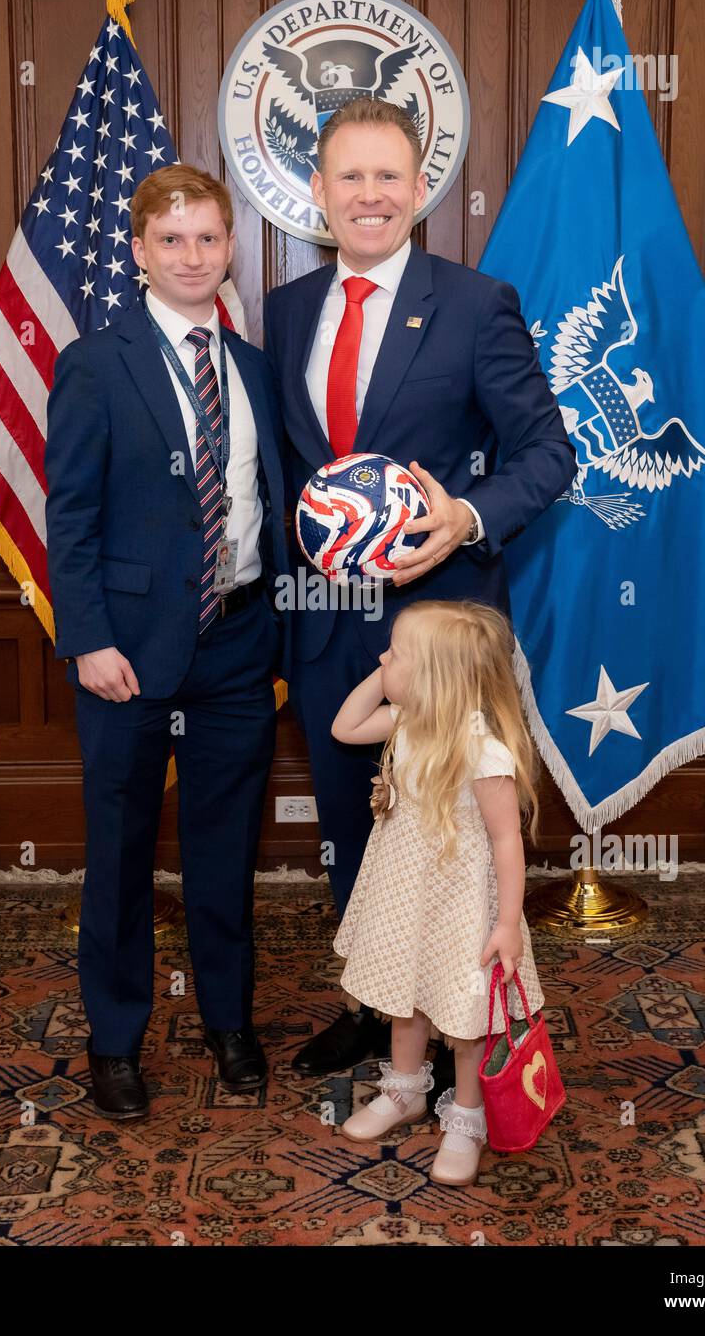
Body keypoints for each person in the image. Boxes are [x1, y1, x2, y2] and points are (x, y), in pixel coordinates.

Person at [263, 97, 576, 1083]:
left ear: (420, 187)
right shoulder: (282, 312)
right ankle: (370, 1001)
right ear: (316, 192)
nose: (369, 195)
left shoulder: (476, 302)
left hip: (440, 627)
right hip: (322, 630)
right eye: (348, 176)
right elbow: (281, 469)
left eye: (387, 176)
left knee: (452, 836)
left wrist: (466, 517)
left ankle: (460, 1023)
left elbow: (547, 454)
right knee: (353, 826)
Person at [45, 164, 290, 1117]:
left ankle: (231, 1025)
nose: (193, 255)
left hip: (236, 644)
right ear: (140, 253)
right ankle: (115, 1040)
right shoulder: (97, 363)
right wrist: (89, 640)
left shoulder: (253, 368)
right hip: (127, 653)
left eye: (209, 238)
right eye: (172, 239)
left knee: (226, 849)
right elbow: (68, 517)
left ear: (231, 250)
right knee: (119, 851)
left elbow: (267, 504)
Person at [330, 600, 544, 1185]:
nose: (381, 657)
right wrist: (390, 673)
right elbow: (344, 727)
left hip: (461, 906)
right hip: (407, 897)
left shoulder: (484, 750)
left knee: (466, 1017)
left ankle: (468, 1118)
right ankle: (405, 1092)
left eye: (395, 653)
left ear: (436, 679)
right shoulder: (409, 721)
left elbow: (506, 842)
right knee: (406, 997)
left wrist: (505, 923)